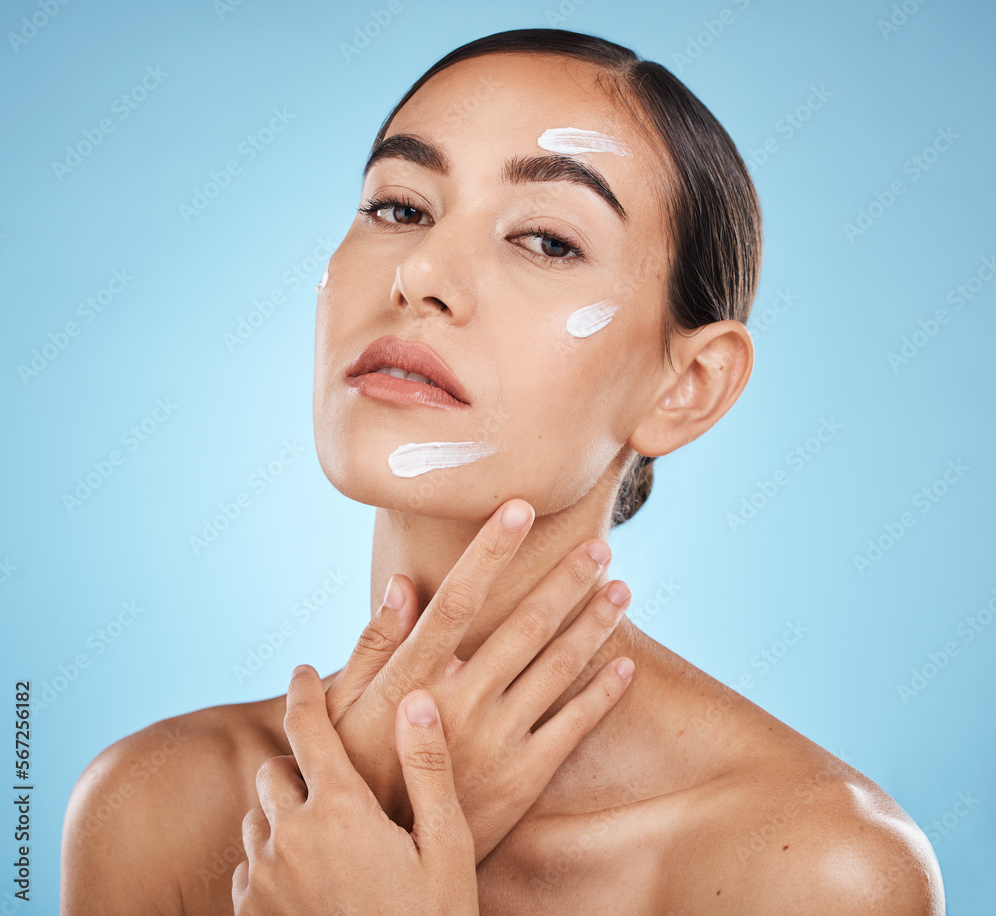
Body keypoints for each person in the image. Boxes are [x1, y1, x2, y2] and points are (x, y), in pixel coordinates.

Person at [61, 28, 945, 915]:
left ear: (688, 386)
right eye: (401, 207)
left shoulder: (819, 869)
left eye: (548, 241)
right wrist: (375, 813)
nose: (422, 272)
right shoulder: (152, 809)